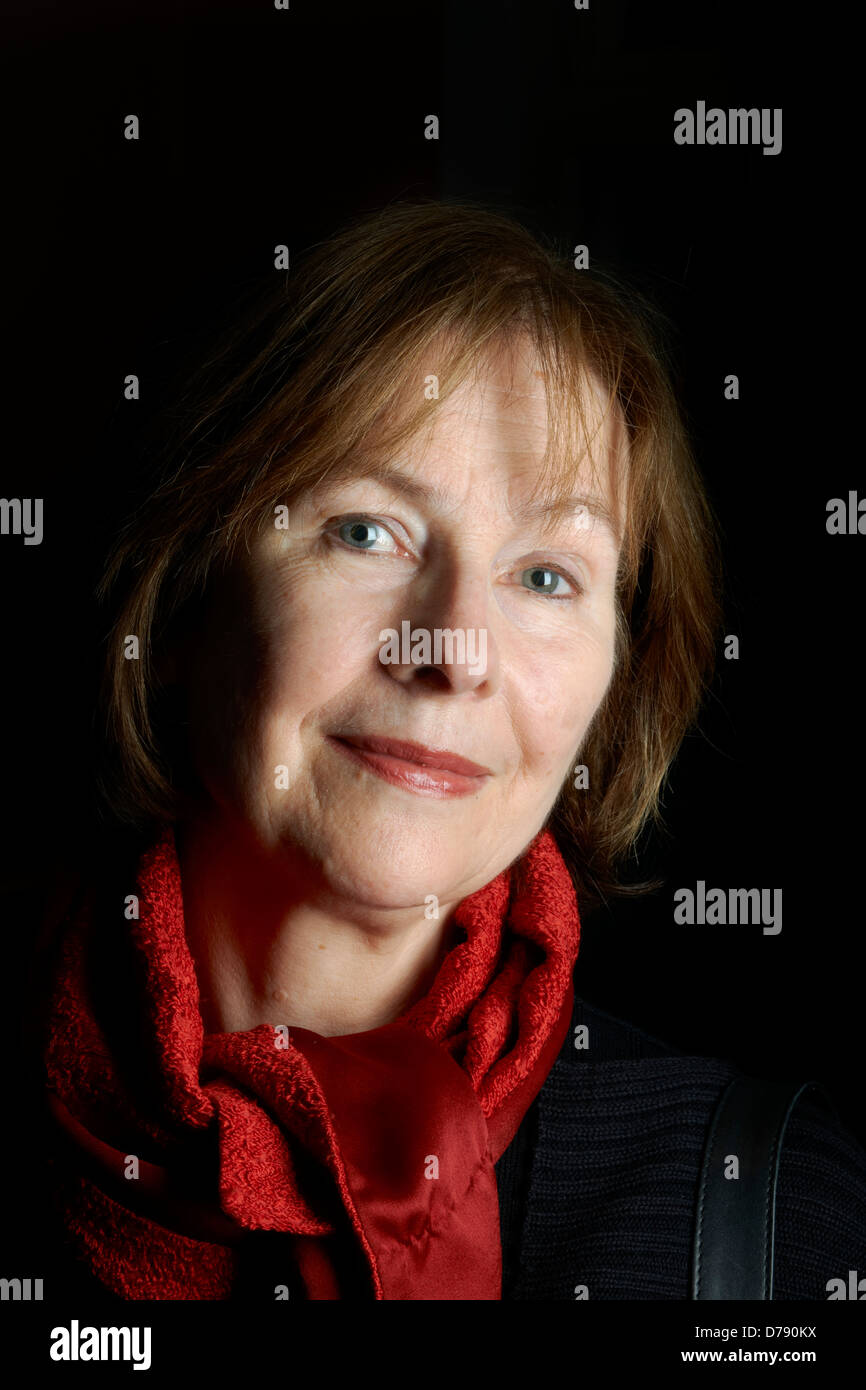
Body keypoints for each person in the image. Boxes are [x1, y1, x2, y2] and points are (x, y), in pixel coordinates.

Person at [29, 200, 866, 1300]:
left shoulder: (763, 1217)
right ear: (185, 599)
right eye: (365, 531)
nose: (452, 650)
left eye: (545, 576)